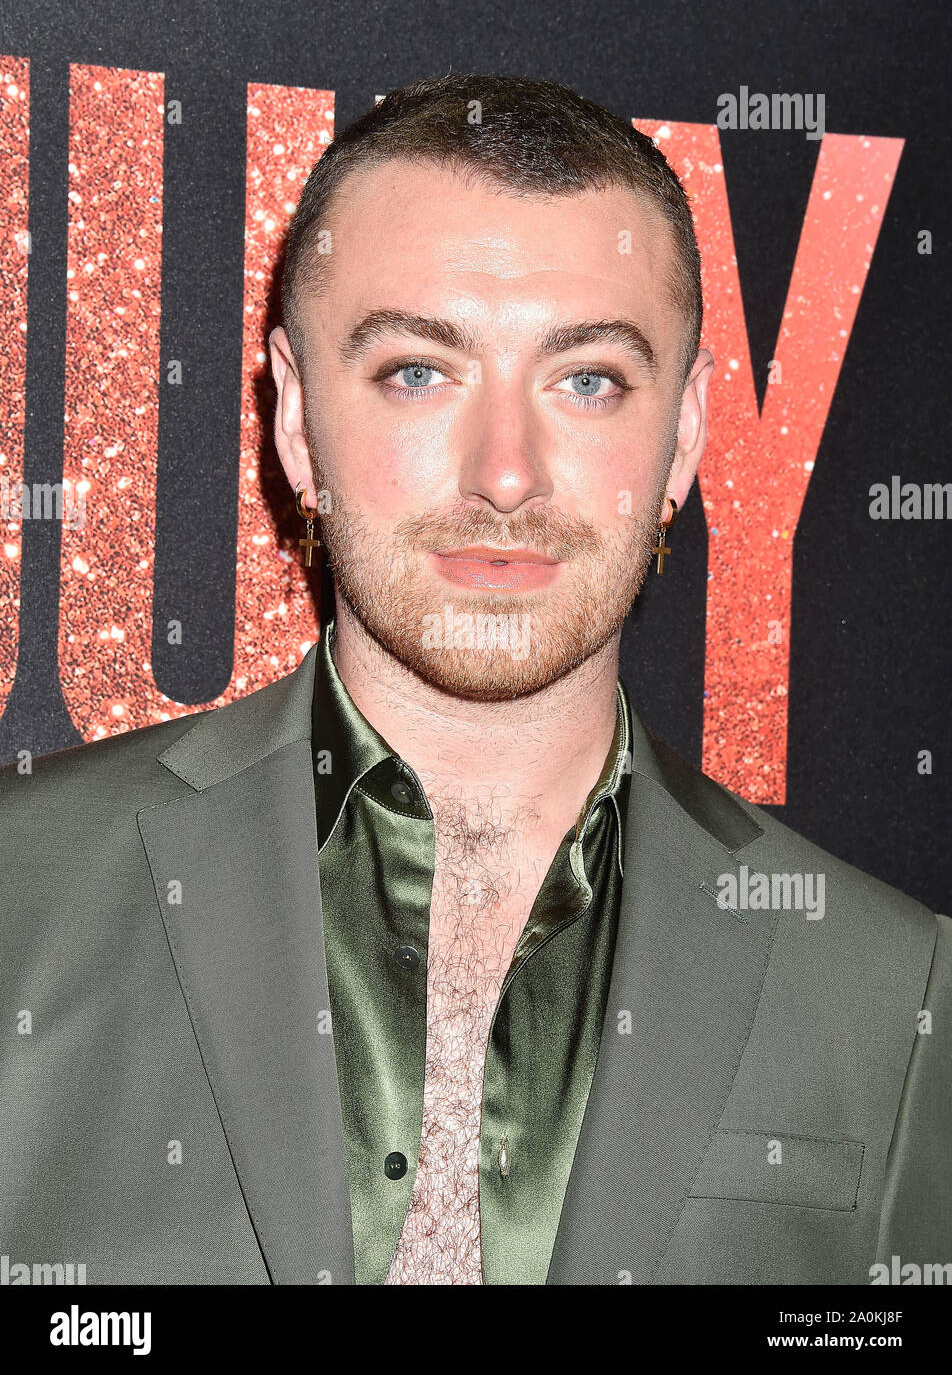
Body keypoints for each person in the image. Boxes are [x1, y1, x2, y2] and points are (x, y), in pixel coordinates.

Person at [0, 74, 948, 1287]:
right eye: (416, 371)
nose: (506, 474)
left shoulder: (895, 992)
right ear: (294, 418)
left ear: (687, 437)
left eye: (588, 379)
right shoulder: (22, 900)